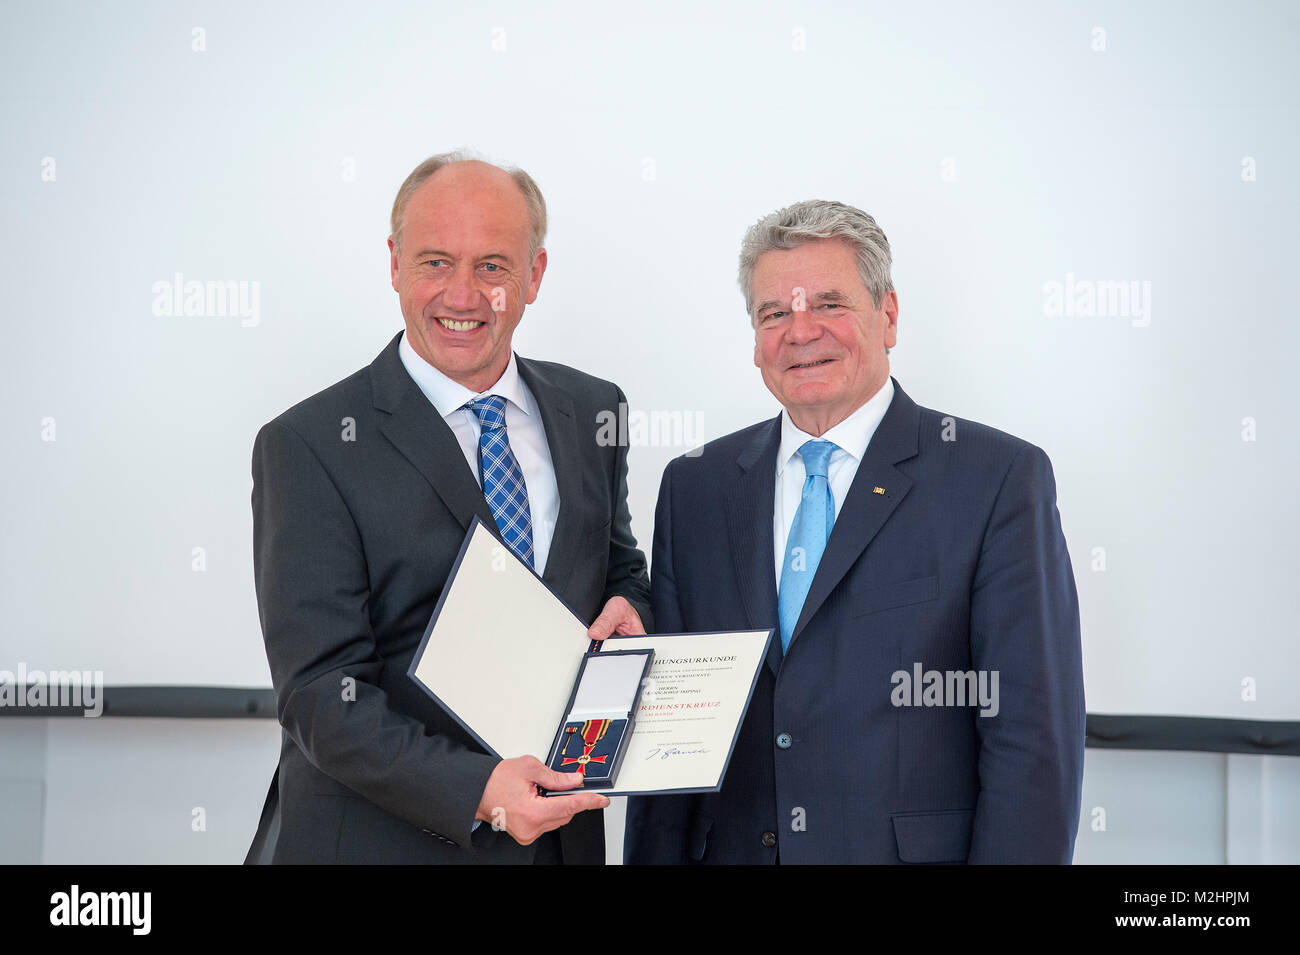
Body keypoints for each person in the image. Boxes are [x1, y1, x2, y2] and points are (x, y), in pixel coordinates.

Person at [624, 200, 1085, 864]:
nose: (799, 331)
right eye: (774, 312)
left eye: (829, 305)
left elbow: (1032, 746)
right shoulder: (696, 487)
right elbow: (667, 746)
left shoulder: (996, 479)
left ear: (888, 314)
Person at [245, 152, 651, 864]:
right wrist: (479, 788)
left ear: (534, 275)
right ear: (396, 262)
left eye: (493, 266)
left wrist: (629, 600)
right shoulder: (308, 445)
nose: (462, 294)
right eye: (436, 262)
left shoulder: (594, 410)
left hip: (562, 842)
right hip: (382, 844)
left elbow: (616, 563)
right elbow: (319, 693)